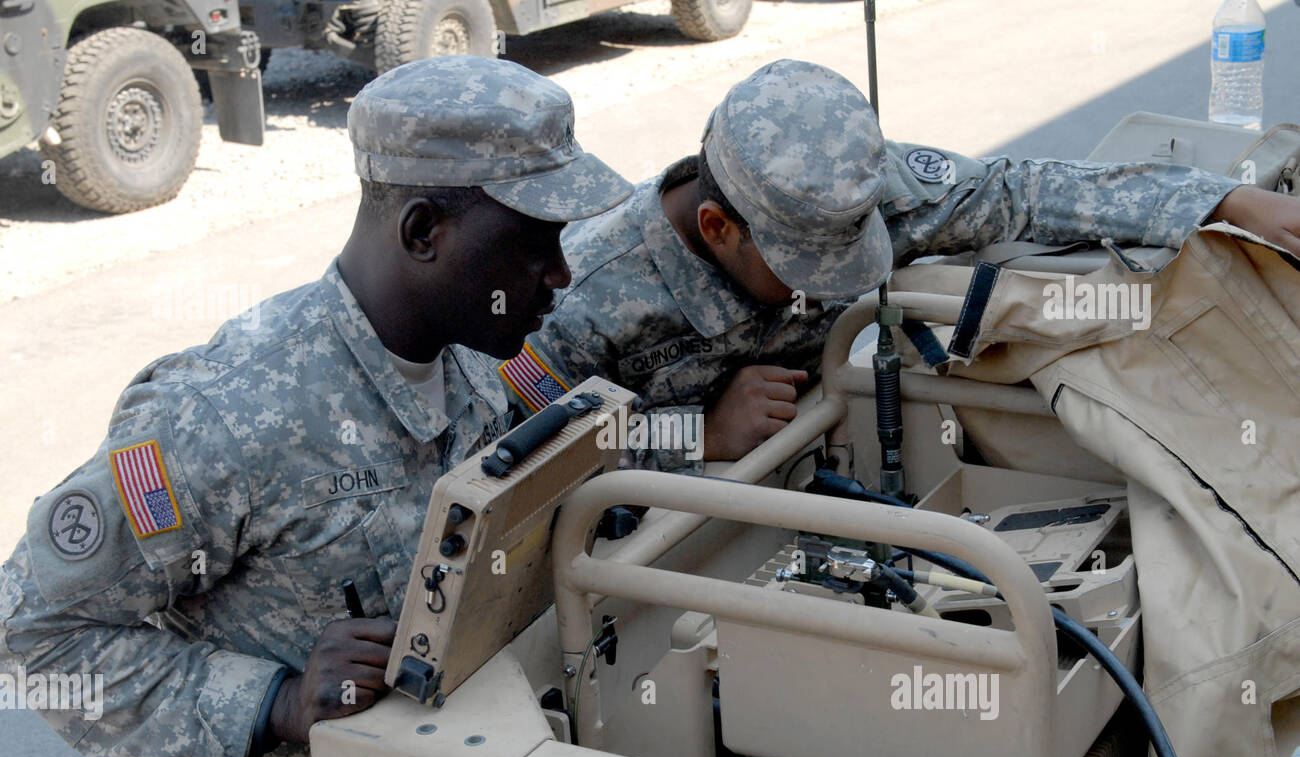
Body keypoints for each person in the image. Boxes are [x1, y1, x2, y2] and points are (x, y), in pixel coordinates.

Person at [0, 55, 629, 757]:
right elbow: (34, 635)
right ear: (423, 232)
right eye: (533, 243)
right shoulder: (226, 416)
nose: (561, 274)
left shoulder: (475, 351)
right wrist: (273, 703)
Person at [498, 59, 1300, 471]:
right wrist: (699, 433)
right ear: (718, 227)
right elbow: (508, 455)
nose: (835, 280)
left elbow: (1022, 193)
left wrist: (1225, 203)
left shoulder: (854, 193)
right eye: (805, 266)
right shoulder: (582, 293)